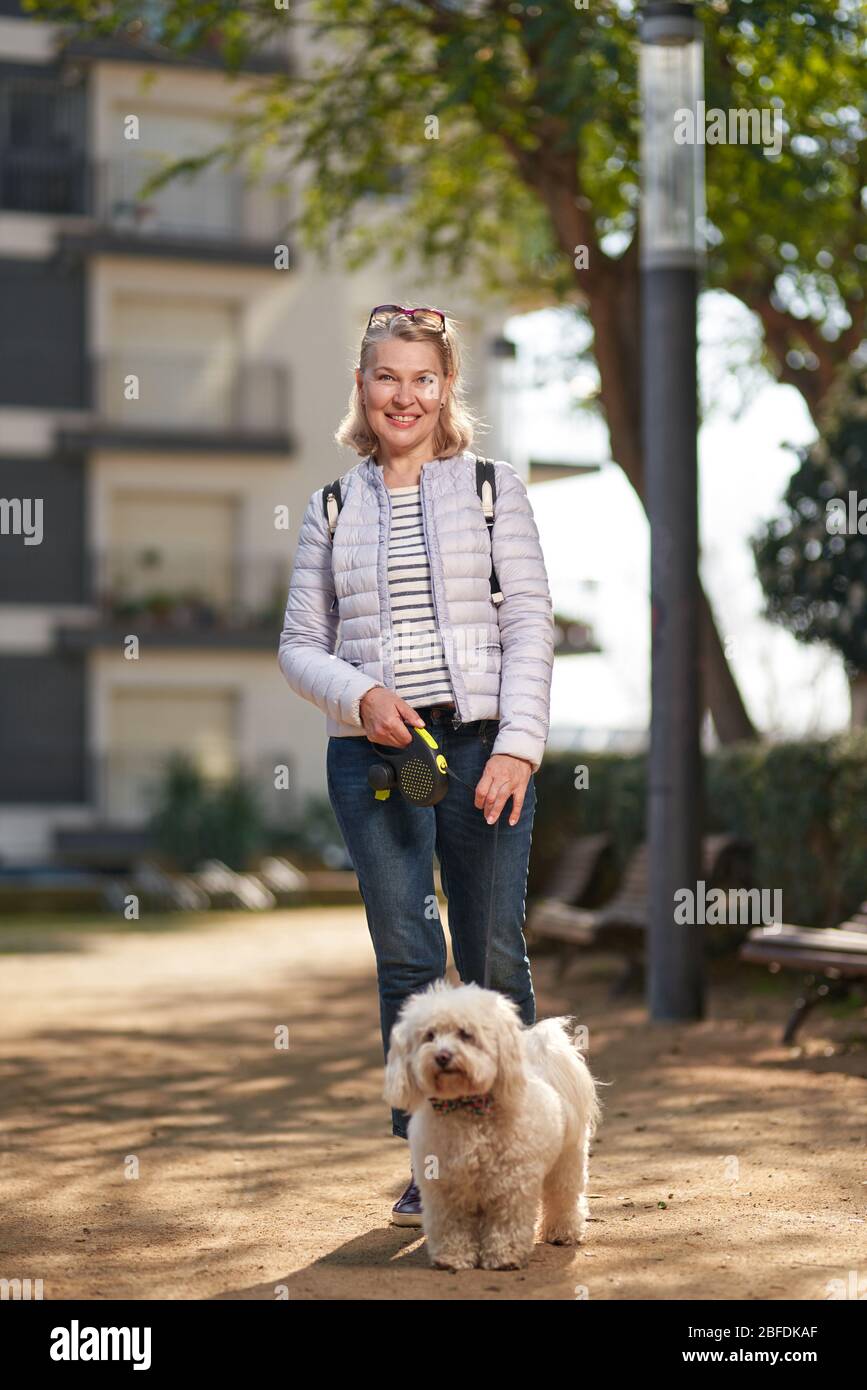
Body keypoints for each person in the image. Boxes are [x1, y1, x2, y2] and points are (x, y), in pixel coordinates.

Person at [278, 304, 554, 1226]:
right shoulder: (329, 506)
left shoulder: (490, 488)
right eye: (386, 377)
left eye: (423, 378)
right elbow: (297, 644)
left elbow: (527, 626)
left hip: (479, 749)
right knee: (406, 960)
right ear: (362, 387)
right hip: (372, 757)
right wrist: (358, 698)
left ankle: (523, 1154)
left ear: (446, 391)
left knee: (492, 958)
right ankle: (428, 1167)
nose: (405, 395)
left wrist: (516, 745)